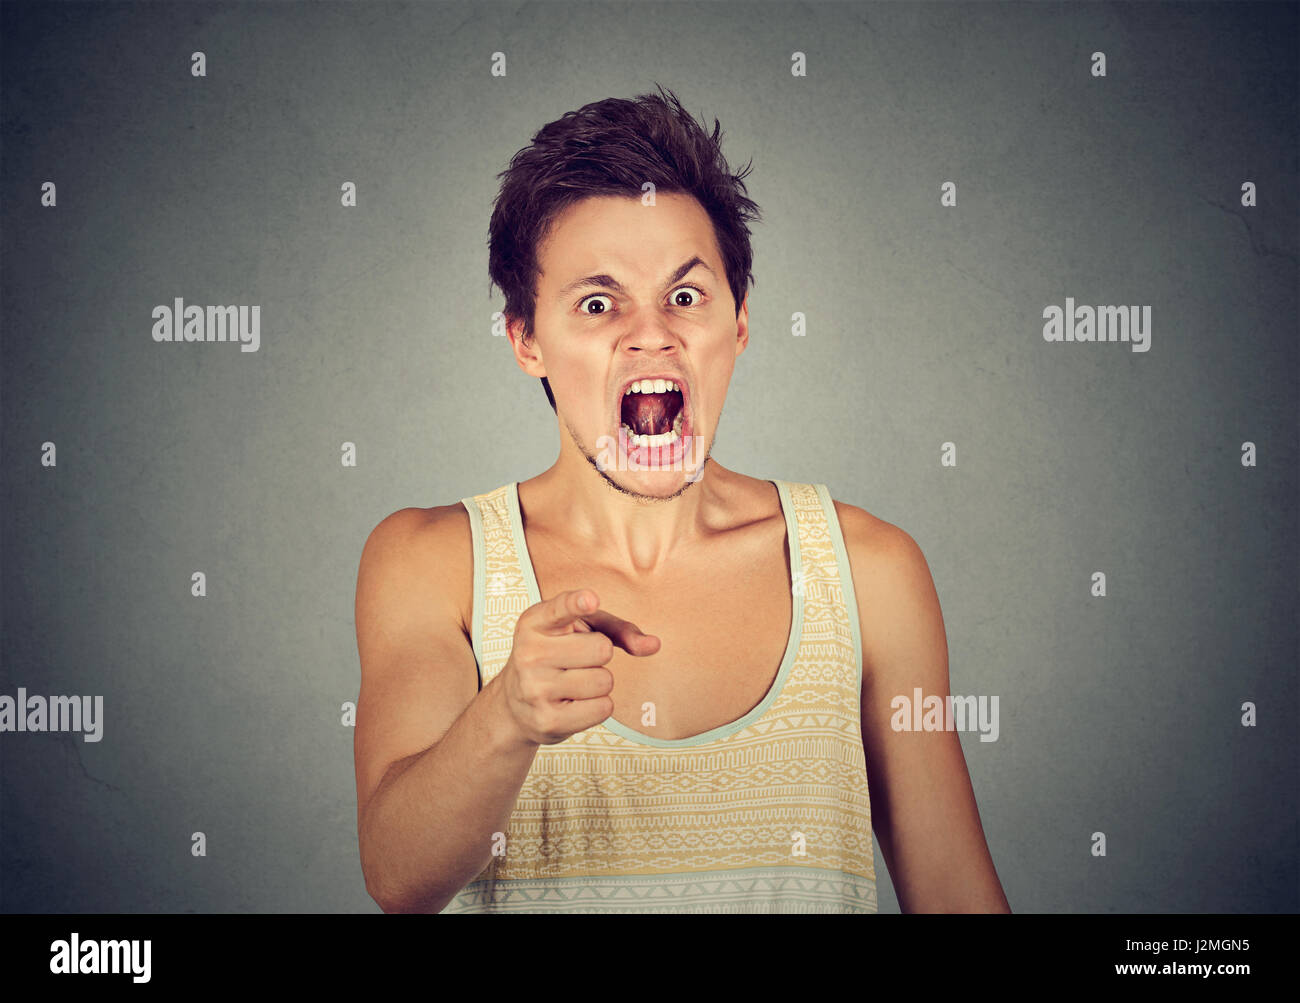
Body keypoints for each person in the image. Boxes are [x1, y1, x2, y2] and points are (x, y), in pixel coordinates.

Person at [353, 85, 1010, 913]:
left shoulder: (870, 572)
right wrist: (506, 716)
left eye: (686, 295)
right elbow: (395, 874)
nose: (651, 330)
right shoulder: (430, 562)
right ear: (526, 339)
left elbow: (955, 895)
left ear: (737, 323)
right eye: (597, 303)